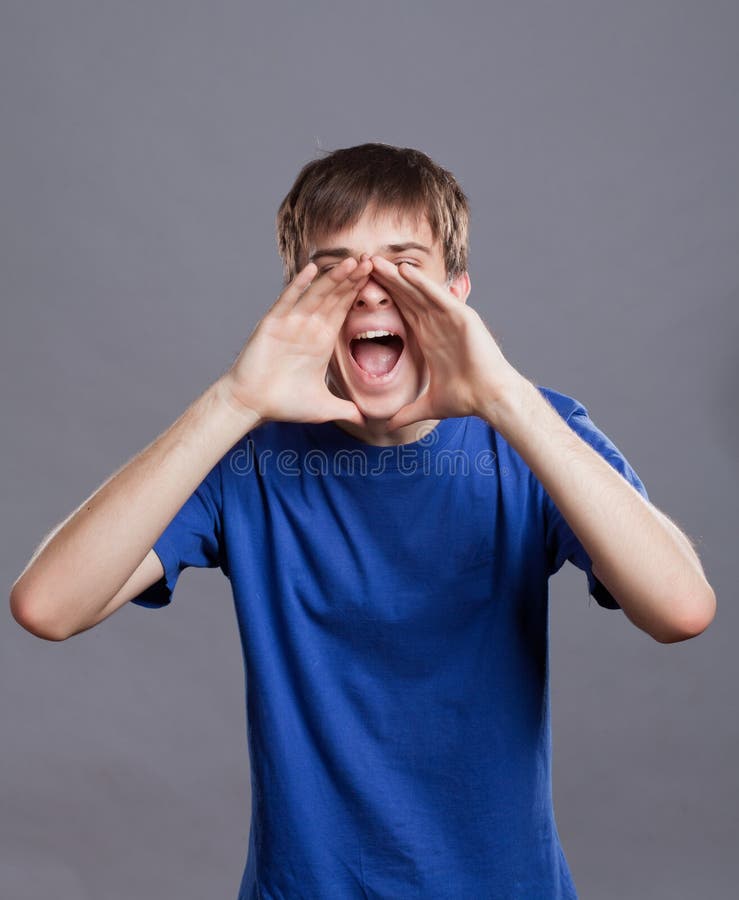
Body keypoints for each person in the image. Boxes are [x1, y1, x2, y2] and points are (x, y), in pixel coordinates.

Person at [10, 143, 716, 899]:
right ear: (296, 300)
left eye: (405, 267)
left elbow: (680, 608)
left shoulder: (535, 436)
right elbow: (48, 606)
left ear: (457, 292)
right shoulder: (245, 454)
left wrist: (506, 398)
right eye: (337, 269)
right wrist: (234, 401)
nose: (374, 291)